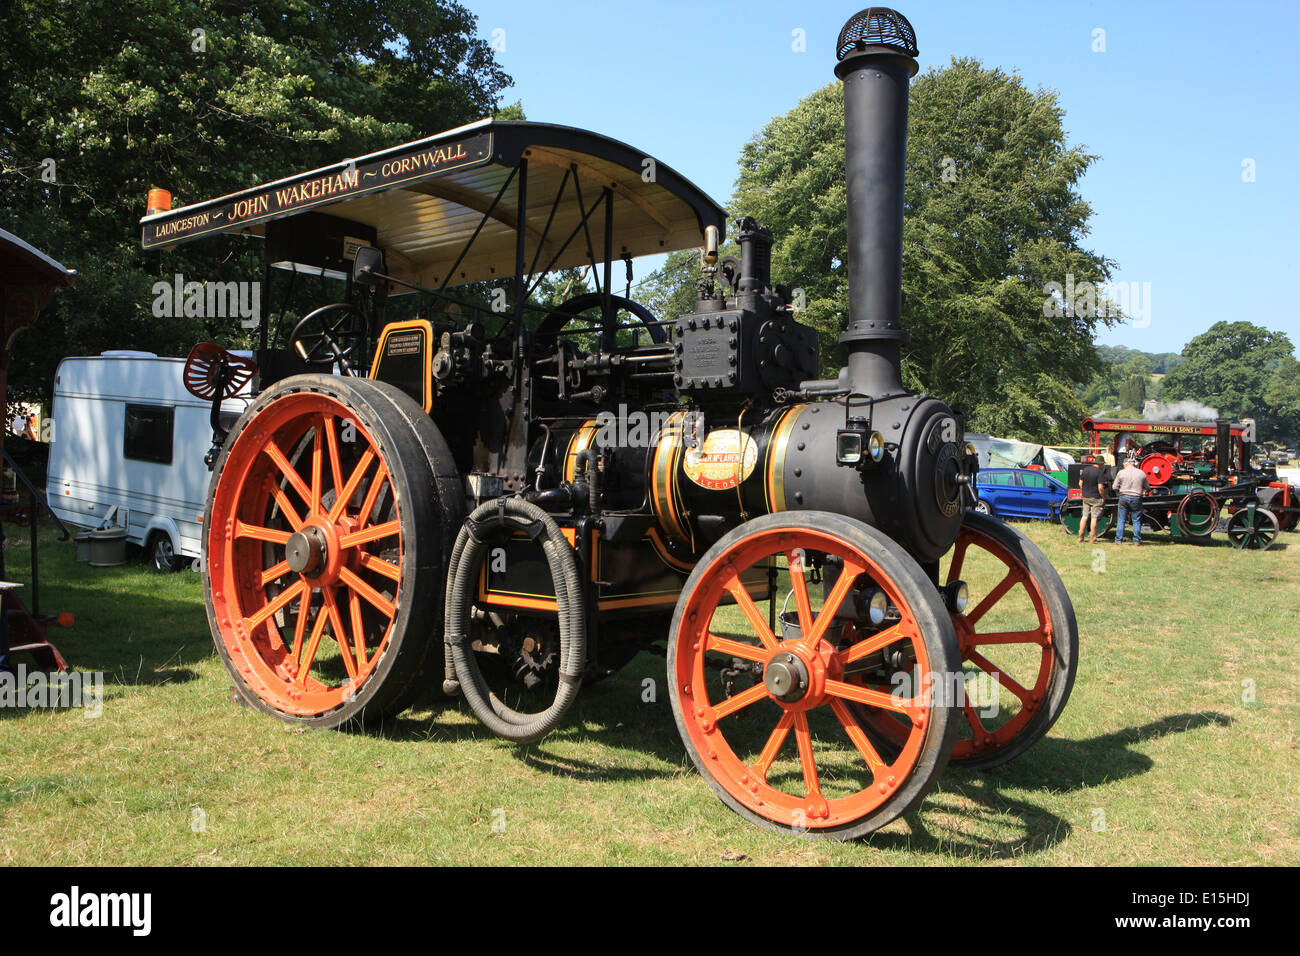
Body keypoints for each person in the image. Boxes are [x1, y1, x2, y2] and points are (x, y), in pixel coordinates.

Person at [1112, 454, 1150, 545]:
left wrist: (1120, 490)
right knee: (1136, 520)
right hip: (1136, 498)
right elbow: (1147, 487)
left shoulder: (1121, 472)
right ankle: (1137, 541)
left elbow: (1114, 487)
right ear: (1134, 464)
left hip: (1123, 497)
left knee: (1121, 520)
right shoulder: (1141, 473)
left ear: (1125, 464)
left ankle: (1118, 540)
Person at [1077, 457, 1107, 543]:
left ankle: (1080, 537)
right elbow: (1100, 487)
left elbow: (1080, 483)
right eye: (1103, 464)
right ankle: (1093, 538)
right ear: (1100, 463)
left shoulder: (1086, 470)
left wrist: (1084, 491)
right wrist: (1103, 497)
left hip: (1086, 497)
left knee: (1084, 516)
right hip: (1096, 497)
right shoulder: (1100, 472)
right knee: (1094, 518)